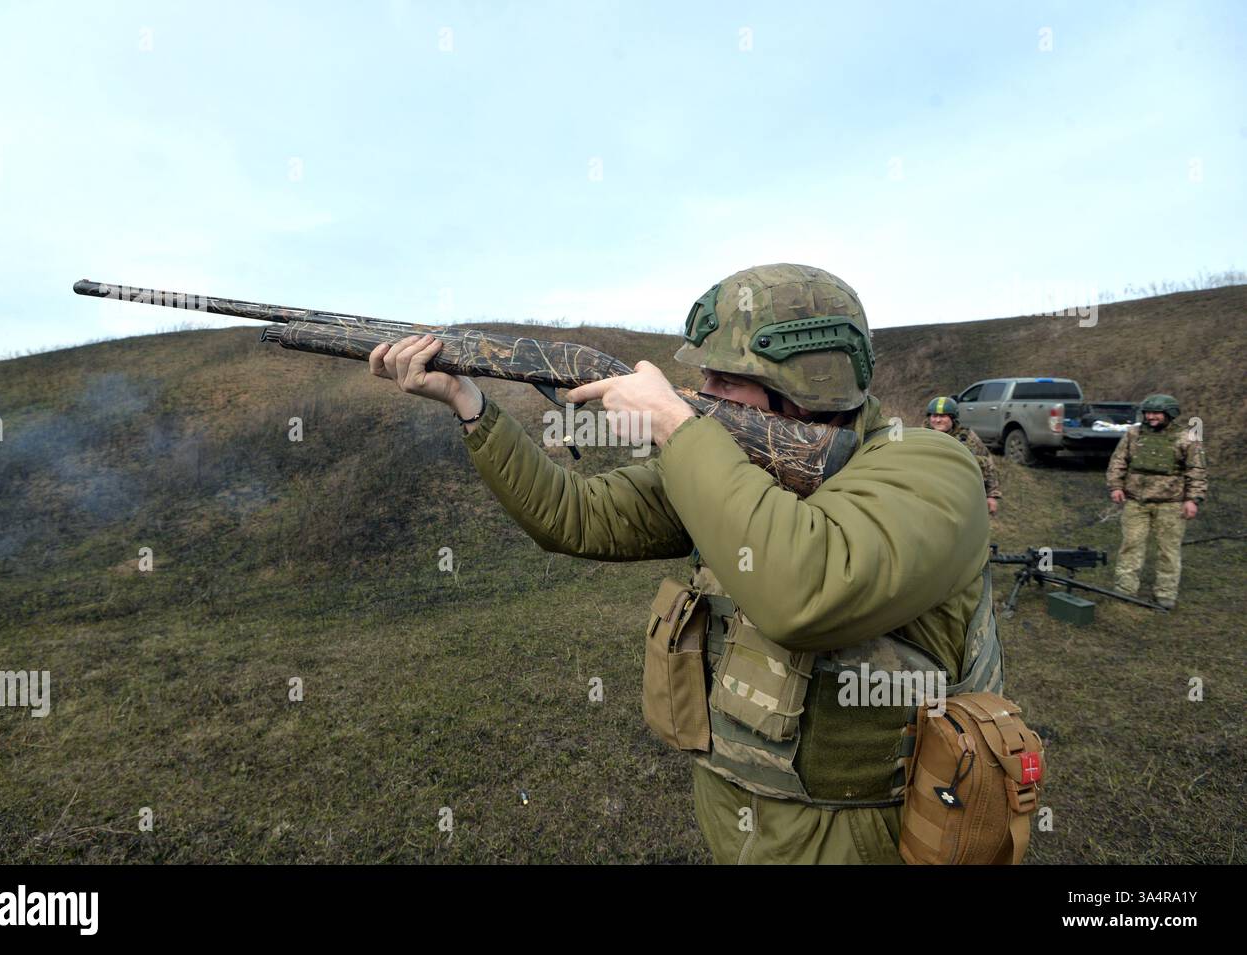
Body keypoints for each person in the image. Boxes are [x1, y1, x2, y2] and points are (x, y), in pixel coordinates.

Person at [368, 264, 997, 864]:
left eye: (724, 381)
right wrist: (467, 401)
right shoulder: (731, 463)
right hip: (737, 813)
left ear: (809, 380)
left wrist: (676, 429)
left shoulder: (930, 468)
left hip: (870, 834)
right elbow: (576, 515)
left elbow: (807, 595)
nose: (700, 395)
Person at [1106, 394, 1206, 610]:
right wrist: (1115, 486)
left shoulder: (1187, 438)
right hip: (1136, 502)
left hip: (1171, 504)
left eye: (1156, 413)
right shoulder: (1133, 434)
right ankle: (1125, 589)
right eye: (1148, 413)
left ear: (1169, 414)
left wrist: (1193, 499)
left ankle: (1165, 594)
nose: (1150, 417)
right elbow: (1118, 461)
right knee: (1131, 545)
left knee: (1168, 550)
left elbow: (1196, 470)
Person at [924, 396, 1001, 516]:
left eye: (943, 416)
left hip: (960, 497)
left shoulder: (968, 438)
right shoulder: (920, 436)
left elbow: (987, 463)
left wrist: (991, 495)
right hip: (928, 496)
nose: (937, 420)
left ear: (953, 418)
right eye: (934, 416)